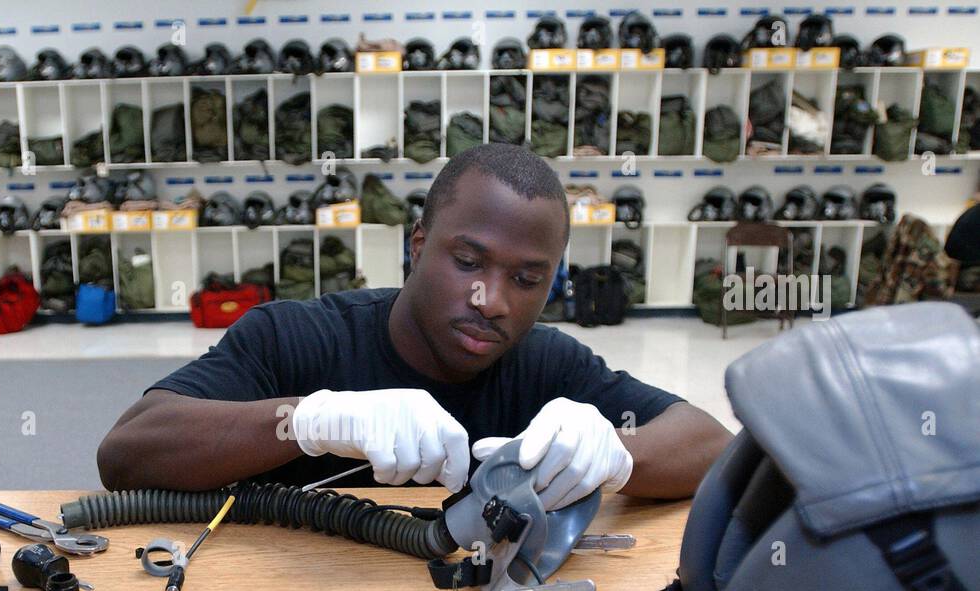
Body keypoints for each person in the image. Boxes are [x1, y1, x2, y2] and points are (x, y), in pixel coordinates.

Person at [98, 143, 732, 509]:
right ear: (418, 245)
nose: (493, 300)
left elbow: (711, 446)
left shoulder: (546, 366)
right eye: (468, 262)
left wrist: (618, 456)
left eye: (528, 279)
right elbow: (126, 453)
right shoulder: (296, 337)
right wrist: (312, 420)